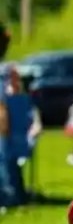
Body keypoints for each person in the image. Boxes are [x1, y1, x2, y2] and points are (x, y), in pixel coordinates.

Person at [0, 67, 38, 211]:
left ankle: (17, 195)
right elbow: (2, 112)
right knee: (7, 164)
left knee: (12, 165)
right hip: (6, 135)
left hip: (14, 135)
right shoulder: (3, 91)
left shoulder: (20, 96)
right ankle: (11, 196)